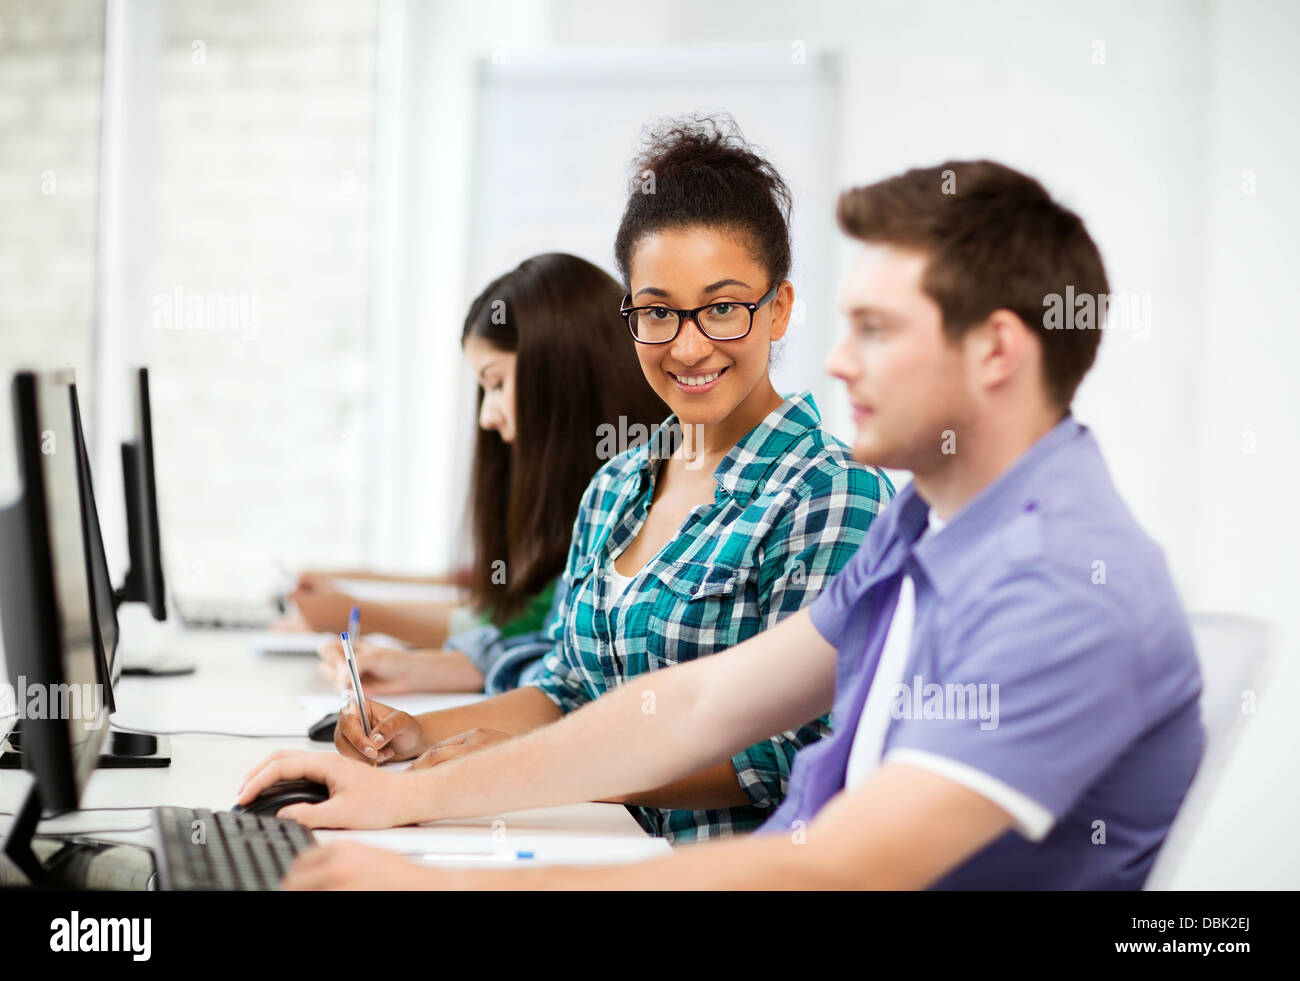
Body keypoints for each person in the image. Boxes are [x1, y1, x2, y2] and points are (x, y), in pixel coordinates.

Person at [240, 158, 1205, 890]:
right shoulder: (928, 522)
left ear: (997, 350)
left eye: (875, 328)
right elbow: (699, 707)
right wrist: (404, 795)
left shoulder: (1056, 581)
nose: (836, 361)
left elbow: (833, 869)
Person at [249, 114, 894, 841]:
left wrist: (530, 770)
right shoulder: (618, 486)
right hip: (593, 843)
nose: (687, 344)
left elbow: (789, 757)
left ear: (778, 310)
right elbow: (565, 689)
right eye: (657, 311)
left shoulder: (832, 495)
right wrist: (416, 734)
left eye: (722, 308)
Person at [313, 253, 667, 692]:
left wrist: (360, 611)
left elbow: (533, 646)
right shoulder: (586, 496)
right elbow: (538, 647)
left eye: (496, 384)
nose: (487, 417)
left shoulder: (643, 496)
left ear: (559, 376)